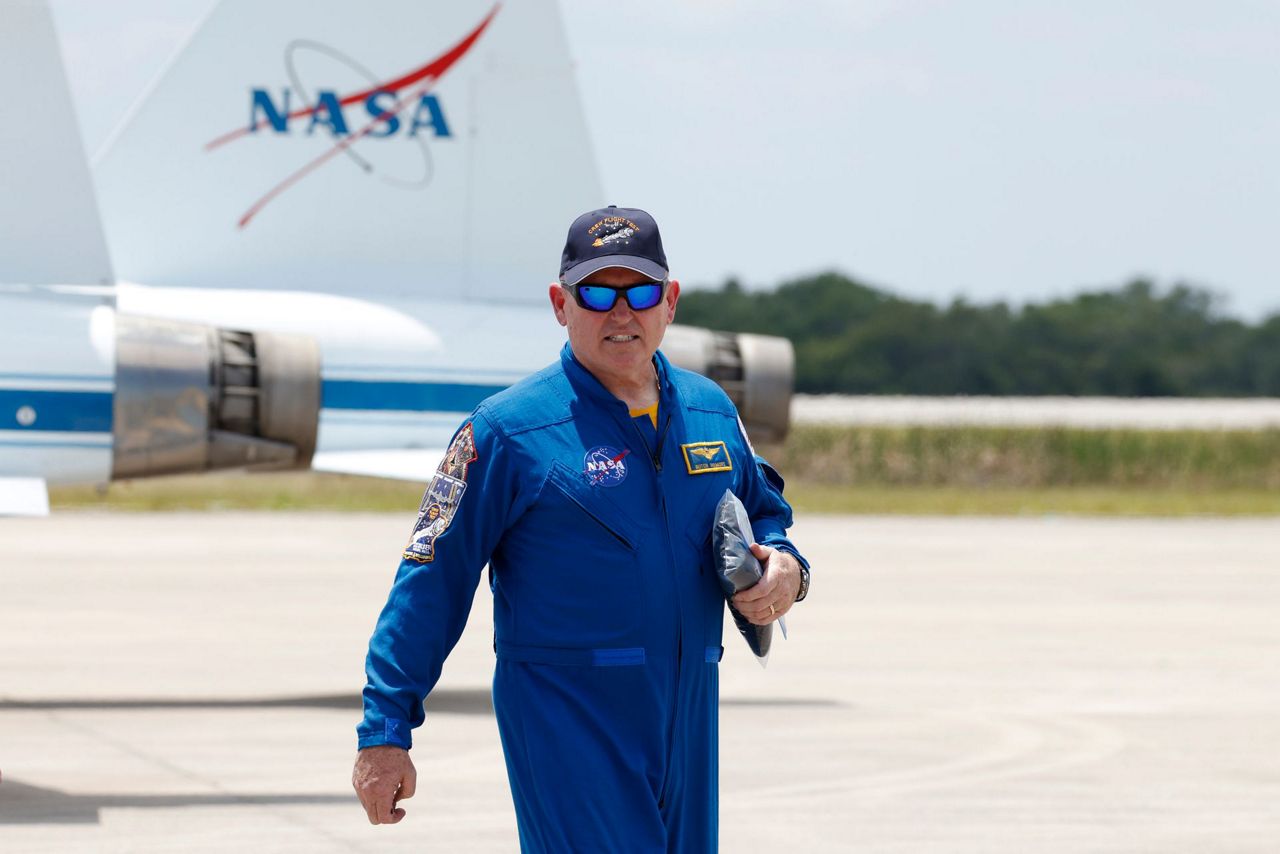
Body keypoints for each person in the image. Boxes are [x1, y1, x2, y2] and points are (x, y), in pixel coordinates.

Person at [352, 205, 811, 852]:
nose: (620, 313)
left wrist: (788, 570)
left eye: (640, 291)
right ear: (559, 304)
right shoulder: (507, 432)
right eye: (597, 292)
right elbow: (430, 583)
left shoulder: (711, 412)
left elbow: (765, 512)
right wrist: (384, 731)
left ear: (670, 301)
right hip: (569, 724)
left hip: (688, 718)